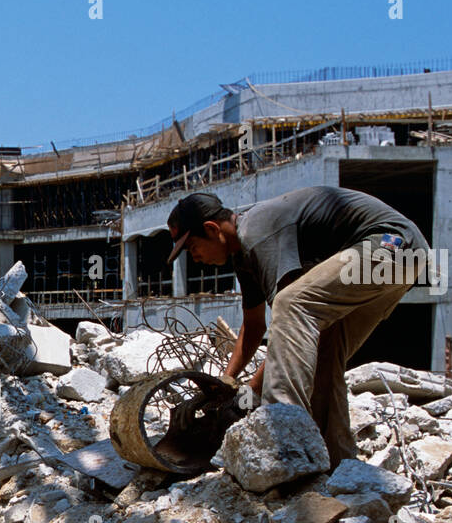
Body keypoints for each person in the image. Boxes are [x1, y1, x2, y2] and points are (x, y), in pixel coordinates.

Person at [166, 186, 430, 466]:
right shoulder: (243, 257)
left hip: (392, 244)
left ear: (211, 228)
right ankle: (337, 464)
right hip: (402, 258)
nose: (193, 258)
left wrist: (246, 396)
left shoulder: (257, 234)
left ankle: (282, 439)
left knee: (291, 304)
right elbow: (254, 327)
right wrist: (226, 382)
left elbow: (289, 327)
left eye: (192, 247)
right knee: (323, 354)